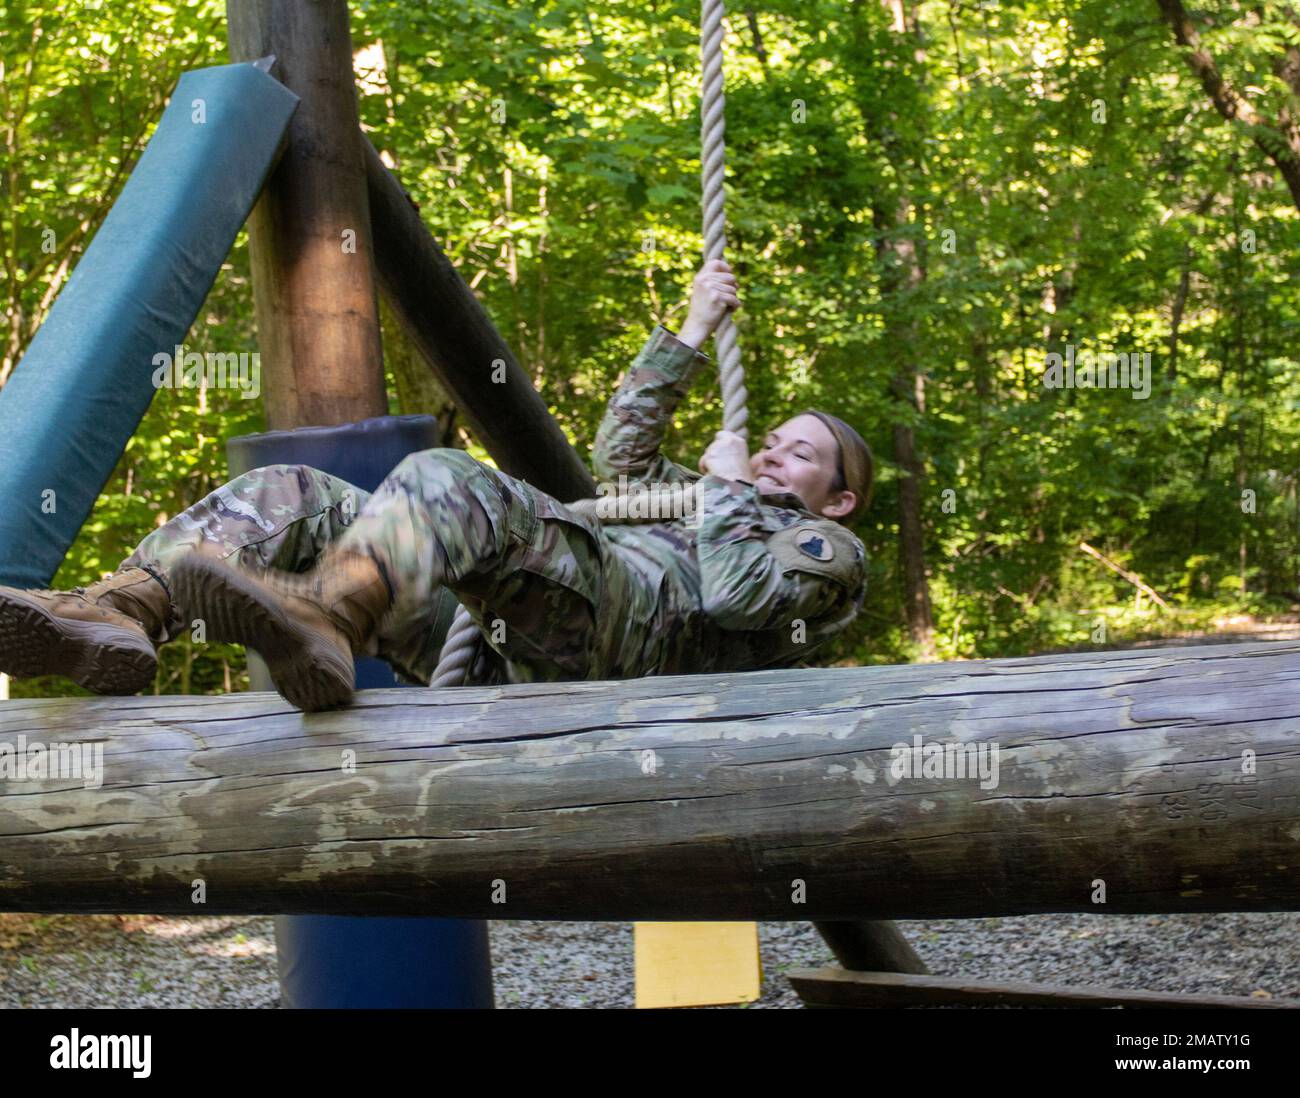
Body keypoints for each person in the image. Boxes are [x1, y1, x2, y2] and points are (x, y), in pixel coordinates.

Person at [0, 260, 873, 710]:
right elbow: (621, 457)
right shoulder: (712, 499)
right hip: (513, 636)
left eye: (798, 455)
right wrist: (690, 330)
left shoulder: (824, 548)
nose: (768, 456)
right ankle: (123, 611)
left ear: (838, 499)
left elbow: (731, 597)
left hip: (619, 651)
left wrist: (726, 490)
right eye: (770, 442)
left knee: (446, 479)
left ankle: (328, 616)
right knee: (296, 492)